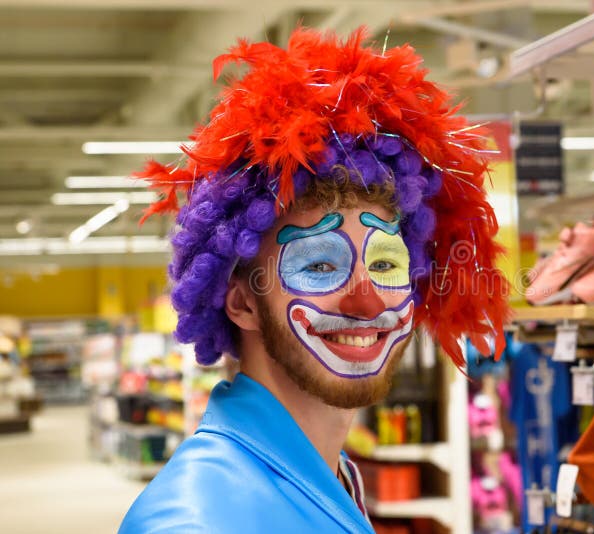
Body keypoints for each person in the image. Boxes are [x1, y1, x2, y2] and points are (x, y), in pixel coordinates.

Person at [119, 27, 509, 533]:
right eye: (321, 265)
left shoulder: (330, 472)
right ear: (241, 303)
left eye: (387, 265)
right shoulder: (199, 523)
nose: (369, 302)